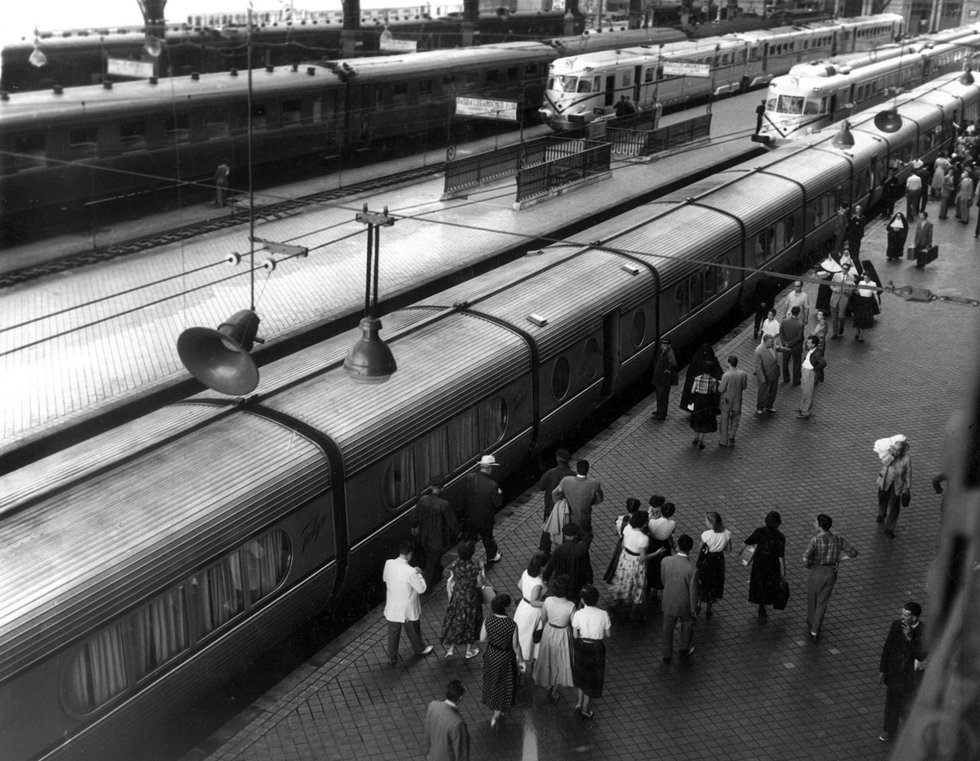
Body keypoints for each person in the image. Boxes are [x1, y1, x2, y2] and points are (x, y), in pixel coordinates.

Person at [803, 514, 859, 642]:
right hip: (831, 572)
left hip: (816, 571)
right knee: (822, 602)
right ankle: (815, 630)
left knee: (813, 598)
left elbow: (806, 558)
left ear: (820, 525)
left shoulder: (815, 541)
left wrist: (807, 564)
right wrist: (841, 558)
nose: (814, 523)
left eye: (815, 522)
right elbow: (853, 552)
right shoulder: (838, 540)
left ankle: (811, 621)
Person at [878, 602, 927, 743]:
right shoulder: (896, 625)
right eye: (902, 614)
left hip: (911, 676)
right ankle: (889, 731)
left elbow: (921, 655)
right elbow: (887, 648)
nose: (902, 618)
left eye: (906, 615)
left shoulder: (924, 632)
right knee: (892, 704)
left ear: (914, 617)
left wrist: (910, 638)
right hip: (894, 673)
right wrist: (882, 670)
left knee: (907, 706)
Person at [383, 539, 435, 665]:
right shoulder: (411, 571)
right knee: (413, 630)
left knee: (393, 634)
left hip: (393, 607)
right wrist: (420, 574)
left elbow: (385, 578)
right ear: (410, 554)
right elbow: (422, 589)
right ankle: (419, 648)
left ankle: (392, 658)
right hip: (408, 608)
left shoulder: (388, 563)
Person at [610, 511, 664, 622]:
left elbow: (623, 544)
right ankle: (634, 613)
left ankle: (617, 604)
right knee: (639, 586)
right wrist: (657, 553)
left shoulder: (627, 528)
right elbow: (643, 557)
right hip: (636, 563)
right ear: (644, 523)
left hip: (625, 558)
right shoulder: (643, 538)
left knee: (621, 580)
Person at [480, 593, 522, 729]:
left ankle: (494, 706)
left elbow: (482, 639)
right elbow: (516, 646)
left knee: (493, 680)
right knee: (505, 684)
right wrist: (521, 661)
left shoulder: (488, 620)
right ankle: (498, 713)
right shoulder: (511, 625)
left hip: (491, 654)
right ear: (505, 608)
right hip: (505, 657)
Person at [532, 575, 576, 703]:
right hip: (563, 633)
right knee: (562, 661)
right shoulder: (571, 605)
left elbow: (543, 618)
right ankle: (555, 691)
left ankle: (548, 683)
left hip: (549, 631)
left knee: (548, 658)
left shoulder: (548, 601)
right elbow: (574, 624)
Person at [570, 584, 611, 719]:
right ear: (597, 600)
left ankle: (578, 704)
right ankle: (586, 709)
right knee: (592, 679)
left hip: (582, 647)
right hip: (597, 648)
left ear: (582, 600)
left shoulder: (578, 614)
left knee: (581, 676)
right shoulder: (603, 614)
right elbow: (608, 634)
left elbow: (575, 635)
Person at [412, 475, 461, 588]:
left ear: (431, 487)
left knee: (430, 560)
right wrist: (458, 532)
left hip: (423, 538)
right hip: (437, 540)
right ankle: (426, 587)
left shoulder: (423, 500)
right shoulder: (444, 505)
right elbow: (452, 523)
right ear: (442, 488)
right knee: (431, 563)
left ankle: (437, 577)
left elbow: (414, 518)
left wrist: (415, 527)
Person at [441, 541, 485, 659]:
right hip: (470, 598)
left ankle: (451, 648)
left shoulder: (456, 564)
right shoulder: (474, 567)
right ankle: (469, 651)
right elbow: (480, 584)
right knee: (471, 622)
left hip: (457, 596)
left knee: (455, 620)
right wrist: (482, 569)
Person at [661, 533, 699, 663]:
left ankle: (667, 655)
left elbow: (663, 580)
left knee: (667, 628)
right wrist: (694, 608)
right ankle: (684, 648)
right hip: (684, 604)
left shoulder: (666, 561)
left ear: (677, 546)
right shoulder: (692, 569)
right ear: (690, 549)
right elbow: (693, 591)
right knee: (687, 624)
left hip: (669, 600)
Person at [744, 511, 786, 620]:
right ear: (778, 523)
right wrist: (783, 573)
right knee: (769, 585)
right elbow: (781, 557)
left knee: (759, 584)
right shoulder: (780, 537)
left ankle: (760, 605)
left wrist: (742, 555)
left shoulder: (759, 531)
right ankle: (764, 605)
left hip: (759, 563)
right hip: (772, 566)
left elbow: (748, 543)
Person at [552, 459, 603, 548]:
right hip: (584, 518)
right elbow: (599, 500)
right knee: (586, 537)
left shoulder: (566, 481)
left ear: (577, 469)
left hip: (568, 516)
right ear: (587, 470)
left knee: (569, 537)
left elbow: (555, 493)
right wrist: (589, 502)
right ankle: (581, 554)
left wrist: (561, 504)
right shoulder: (594, 483)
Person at [463, 455, 503, 564]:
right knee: (487, 537)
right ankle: (491, 556)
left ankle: (466, 558)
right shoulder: (492, 485)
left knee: (470, 538)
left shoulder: (470, 477)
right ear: (490, 468)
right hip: (485, 517)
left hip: (470, 515)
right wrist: (499, 492)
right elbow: (498, 503)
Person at [535, 449, 574, 558]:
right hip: (565, 510)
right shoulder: (572, 474)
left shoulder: (550, 473)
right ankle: (564, 553)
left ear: (557, 459)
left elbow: (541, 487)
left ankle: (544, 554)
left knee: (546, 532)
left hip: (550, 509)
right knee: (565, 532)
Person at [513, 554, 546, 672]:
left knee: (520, 634)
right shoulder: (537, 583)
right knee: (529, 636)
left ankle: (518, 658)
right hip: (532, 612)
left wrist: (526, 592)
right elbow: (534, 602)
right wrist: (547, 603)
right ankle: (526, 660)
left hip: (522, 606)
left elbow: (519, 585)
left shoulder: (525, 572)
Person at [423, 680, 470, 761]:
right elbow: (461, 752)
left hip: (433, 756)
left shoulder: (433, 706)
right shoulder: (458, 723)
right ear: (460, 698)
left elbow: (428, 731)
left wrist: (427, 752)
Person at [542, 522, 593, 595]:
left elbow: (551, 565)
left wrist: (545, 578)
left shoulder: (559, 549)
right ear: (577, 535)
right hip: (577, 581)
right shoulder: (582, 549)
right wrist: (589, 581)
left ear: (565, 535)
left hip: (561, 580)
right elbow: (587, 567)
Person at [697, 511, 732, 617]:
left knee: (703, 582)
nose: (705, 522)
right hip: (718, 560)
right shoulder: (727, 533)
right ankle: (709, 609)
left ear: (711, 522)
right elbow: (729, 549)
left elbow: (699, 549)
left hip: (707, 560)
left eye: (706, 520)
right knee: (714, 583)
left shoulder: (706, 534)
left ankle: (698, 606)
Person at [877, 437, 912, 538]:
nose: (897, 452)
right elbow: (884, 463)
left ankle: (889, 529)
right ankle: (881, 513)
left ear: (903, 450)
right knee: (882, 499)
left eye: (899, 450)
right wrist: (891, 456)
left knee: (894, 507)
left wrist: (907, 488)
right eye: (895, 449)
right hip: (885, 482)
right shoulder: (888, 454)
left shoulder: (906, 459)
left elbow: (908, 474)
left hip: (897, 485)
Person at [603, 497, 641, 584]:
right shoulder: (641, 520)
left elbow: (615, 533)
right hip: (635, 545)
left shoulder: (619, 519)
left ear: (627, 507)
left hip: (622, 544)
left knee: (618, 562)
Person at [679, 343, 722, 411]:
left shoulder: (696, 359)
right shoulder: (712, 359)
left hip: (698, 394)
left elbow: (691, 375)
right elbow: (718, 371)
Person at [717, 355, 748, 447]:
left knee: (724, 420)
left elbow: (721, 389)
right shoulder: (743, 374)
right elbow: (744, 387)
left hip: (726, 401)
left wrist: (719, 384)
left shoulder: (726, 375)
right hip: (737, 400)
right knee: (736, 418)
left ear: (729, 363)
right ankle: (732, 436)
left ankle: (723, 440)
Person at [647, 501, 676, 596]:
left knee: (651, 566)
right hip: (664, 546)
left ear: (661, 511)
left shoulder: (652, 522)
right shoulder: (672, 523)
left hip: (652, 544)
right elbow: (671, 534)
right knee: (661, 567)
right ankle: (658, 588)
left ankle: (649, 586)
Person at [689, 361, 719, 450]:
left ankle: (696, 437)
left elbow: (692, 390)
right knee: (705, 420)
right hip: (707, 402)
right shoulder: (713, 380)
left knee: (697, 419)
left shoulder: (697, 378)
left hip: (698, 401)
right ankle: (701, 441)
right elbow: (714, 391)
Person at [797, 335, 826, 420]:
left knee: (808, 393)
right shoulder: (811, 350)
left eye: (809, 343)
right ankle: (802, 407)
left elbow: (823, 363)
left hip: (809, 373)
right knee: (804, 390)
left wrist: (814, 369)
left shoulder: (816, 353)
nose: (807, 344)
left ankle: (805, 412)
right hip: (805, 371)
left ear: (813, 345)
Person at [650, 338, 679, 421]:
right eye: (662, 345)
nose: (663, 347)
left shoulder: (669, 354)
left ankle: (661, 415)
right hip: (660, 380)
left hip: (663, 381)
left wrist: (667, 370)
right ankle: (659, 411)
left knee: (662, 397)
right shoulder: (665, 352)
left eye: (665, 345)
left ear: (669, 346)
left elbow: (673, 364)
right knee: (660, 397)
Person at [778, 305, 805, 385]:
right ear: (798, 313)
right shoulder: (800, 324)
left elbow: (781, 333)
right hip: (796, 347)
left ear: (791, 312)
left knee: (785, 362)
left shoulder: (784, 322)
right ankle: (796, 380)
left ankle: (786, 378)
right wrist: (790, 343)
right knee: (796, 363)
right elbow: (799, 337)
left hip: (785, 345)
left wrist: (784, 343)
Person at [754, 334, 780, 415]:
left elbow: (778, 348)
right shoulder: (759, 351)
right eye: (771, 342)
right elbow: (758, 367)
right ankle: (759, 407)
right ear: (765, 342)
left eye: (773, 342)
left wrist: (786, 349)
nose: (772, 344)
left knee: (773, 391)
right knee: (763, 393)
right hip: (765, 375)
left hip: (775, 374)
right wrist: (762, 378)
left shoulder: (773, 346)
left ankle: (769, 405)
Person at [829, 262, 855, 338]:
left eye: (847, 269)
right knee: (834, 317)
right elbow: (831, 284)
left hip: (843, 299)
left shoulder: (851, 277)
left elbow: (852, 288)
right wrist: (834, 289)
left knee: (841, 316)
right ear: (841, 268)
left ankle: (841, 327)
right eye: (844, 268)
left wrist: (848, 292)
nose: (845, 270)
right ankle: (834, 332)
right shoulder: (836, 275)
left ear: (849, 269)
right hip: (834, 298)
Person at [852, 273, 879, 342]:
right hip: (860, 301)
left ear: (870, 278)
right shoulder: (861, 282)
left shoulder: (873, 284)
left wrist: (878, 304)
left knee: (864, 319)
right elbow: (857, 291)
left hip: (867, 302)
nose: (865, 279)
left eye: (867, 278)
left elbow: (875, 295)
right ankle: (857, 331)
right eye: (864, 278)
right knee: (857, 317)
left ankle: (861, 335)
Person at [753, 274, 780, 340]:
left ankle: (756, 328)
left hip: (759, 304)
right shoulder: (773, 283)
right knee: (765, 317)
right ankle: (763, 331)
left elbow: (756, 292)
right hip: (768, 305)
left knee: (758, 316)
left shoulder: (760, 281)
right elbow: (772, 295)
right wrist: (766, 303)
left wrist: (760, 302)